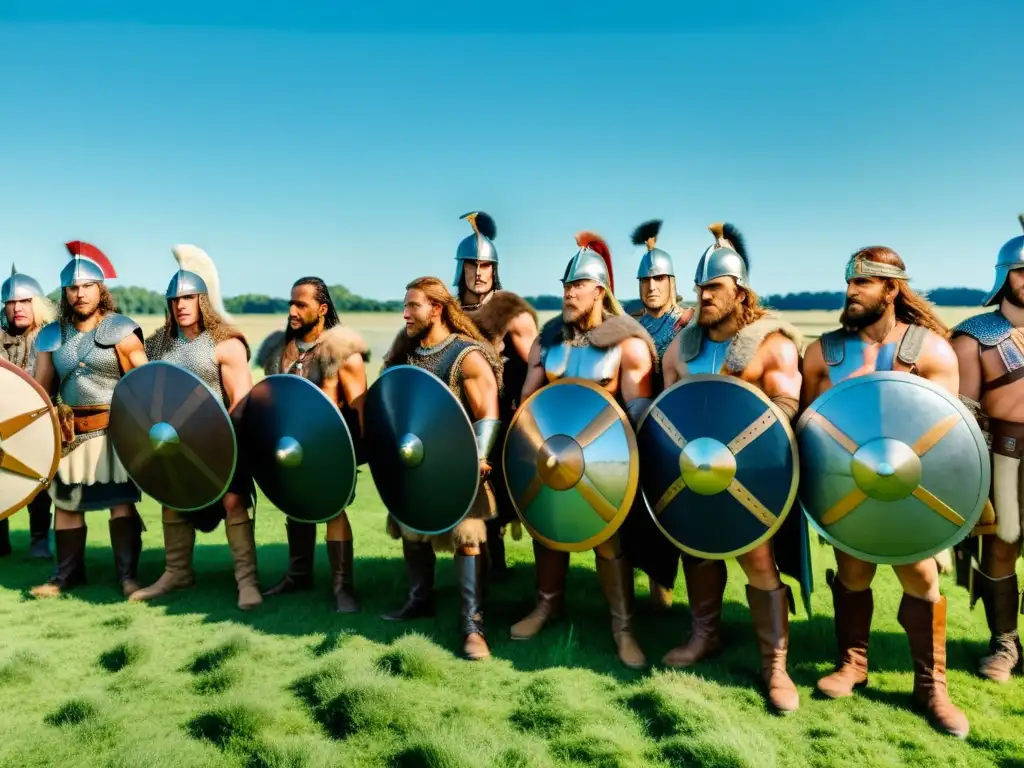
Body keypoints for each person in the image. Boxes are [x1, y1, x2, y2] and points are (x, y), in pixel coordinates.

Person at [802, 246, 968, 738]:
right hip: (846, 488)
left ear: (891, 290)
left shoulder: (931, 351)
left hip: (912, 491)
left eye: (864, 284)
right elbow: (810, 430)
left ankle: (931, 685)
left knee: (919, 574)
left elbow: (948, 440)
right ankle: (853, 664)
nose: (851, 292)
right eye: (849, 283)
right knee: (853, 569)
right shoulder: (823, 352)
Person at [660, 223, 803, 712]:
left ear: (739, 291)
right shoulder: (681, 349)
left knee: (759, 560)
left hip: (750, 482)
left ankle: (775, 663)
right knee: (696, 551)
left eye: (714, 288)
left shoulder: (772, 344)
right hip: (693, 474)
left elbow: (786, 407)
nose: (703, 297)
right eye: (699, 288)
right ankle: (705, 635)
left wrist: (744, 439)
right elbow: (666, 416)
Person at [511, 231, 657, 669]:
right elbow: (527, 408)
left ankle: (623, 627)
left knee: (609, 542)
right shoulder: (547, 344)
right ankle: (546, 605)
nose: (569, 292)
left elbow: (641, 417)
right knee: (546, 528)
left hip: (605, 466)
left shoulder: (627, 346)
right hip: (551, 458)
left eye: (578, 286)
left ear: (600, 291)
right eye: (565, 286)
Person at [129, 245, 262, 610]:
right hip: (173, 442)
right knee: (173, 502)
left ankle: (247, 582)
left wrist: (224, 443)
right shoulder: (158, 344)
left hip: (221, 441)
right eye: (175, 299)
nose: (181, 305)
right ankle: (177, 572)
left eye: (188, 297)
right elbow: (145, 387)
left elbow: (241, 400)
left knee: (233, 502)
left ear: (202, 300)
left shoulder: (225, 343)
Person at [380, 276, 502, 661]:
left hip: (461, 465)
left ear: (436, 308)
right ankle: (420, 599)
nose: (406, 314)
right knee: (411, 528)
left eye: (413, 306)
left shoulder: (466, 355)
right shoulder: (410, 354)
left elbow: (488, 413)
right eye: (405, 306)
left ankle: (472, 623)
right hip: (419, 464)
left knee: (468, 537)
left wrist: (480, 456)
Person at [30, 241, 148, 598]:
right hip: (70, 433)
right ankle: (67, 575)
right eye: (73, 288)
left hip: (115, 432)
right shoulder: (51, 337)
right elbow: (40, 391)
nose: (80, 294)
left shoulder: (121, 331)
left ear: (101, 290)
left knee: (121, 505)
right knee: (66, 505)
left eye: (86, 287)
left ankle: (127, 577)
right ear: (65, 293)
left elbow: (146, 385)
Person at [256, 277, 369, 612]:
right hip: (290, 446)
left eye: (301, 304)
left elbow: (360, 411)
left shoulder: (342, 355)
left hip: (329, 448)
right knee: (296, 506)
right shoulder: (283, 352)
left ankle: (342, 587)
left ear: (321, 309)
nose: (292, 310)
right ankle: (298, 574)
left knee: (334, 509)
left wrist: (353, 454)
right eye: (291, 303)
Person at [949, 213, 1024, 683]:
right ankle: (1005, 644)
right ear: (1004, 276)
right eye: (1022, 271)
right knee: (1003, 545)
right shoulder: (975, 334)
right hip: (1004, 454)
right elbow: (962, 412)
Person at [451, 211, 538, 579]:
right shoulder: (448, 310)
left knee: (507, 492)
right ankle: (483, 564)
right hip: (458, 416)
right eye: (473, 264)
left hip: (500, 414)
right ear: (461, 268)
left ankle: (531, 578)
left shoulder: (508, 311)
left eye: (487, 264)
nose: (480, 272)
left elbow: (537, 363)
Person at [622, 219, 694, 612]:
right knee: (636, 514)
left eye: (660, 279)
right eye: (646, 280)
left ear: (672, 282)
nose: (652, 286)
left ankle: (664, 593)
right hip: (633, 428)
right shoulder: (628, 324)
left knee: (671, 513)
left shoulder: (689, 322)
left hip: (675, 428)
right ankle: (640, 591)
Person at [0, 265, 57, 559]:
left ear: (36, 304)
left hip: (42, 423)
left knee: (39, 479)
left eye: (24, 301)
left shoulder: (52, 338)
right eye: (11, 302)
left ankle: (38, 538)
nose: (17, 308)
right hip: (1, 421)